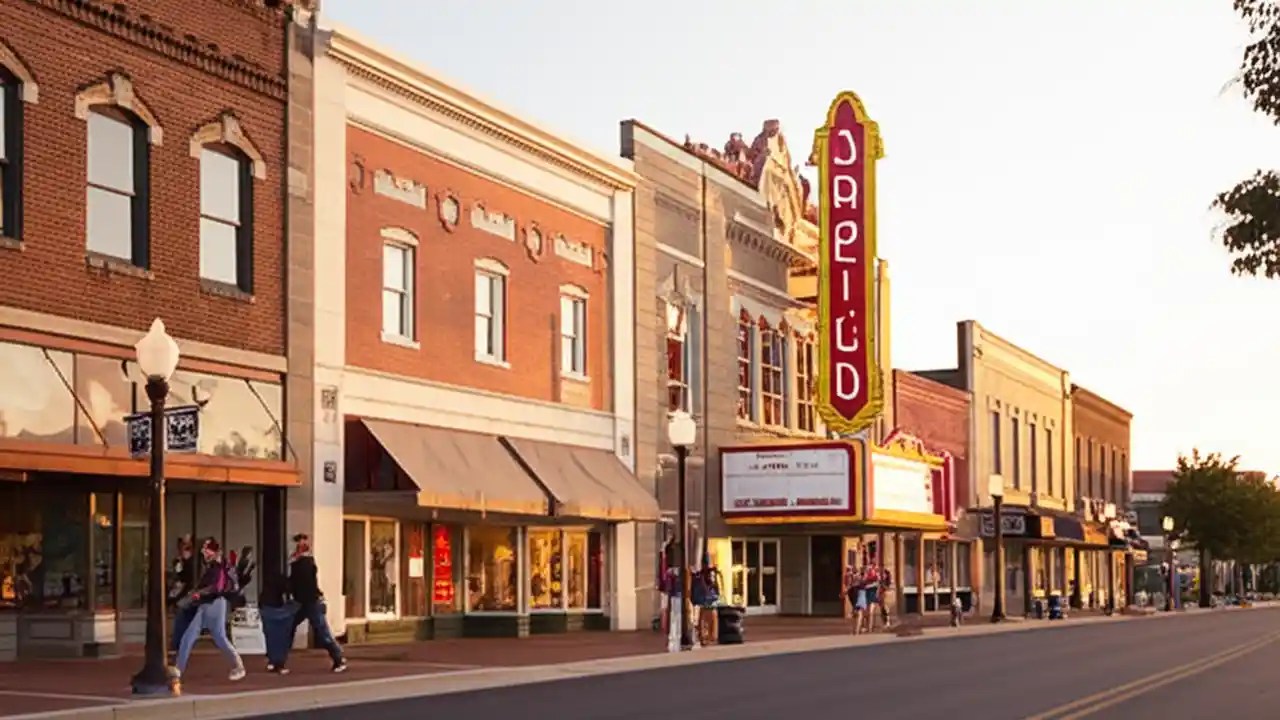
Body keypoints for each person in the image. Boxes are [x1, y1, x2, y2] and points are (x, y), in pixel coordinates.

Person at [175, 538, 245, 681]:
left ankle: (238, 665)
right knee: (189, 637)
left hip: (215, 604)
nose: (203, 552)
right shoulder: (214, 566)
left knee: (219, 637)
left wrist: (196, 594)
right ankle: (178, 670)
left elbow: (216, 588)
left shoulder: (218, 567)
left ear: (214, 551)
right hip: (206, 605)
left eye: (206, 549)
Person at [286, 533, 347, 673]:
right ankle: (278, 660)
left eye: (301, 543)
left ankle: (338, 658)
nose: (299, 546)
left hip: (310, 602)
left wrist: (293, 592)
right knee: (289, 627)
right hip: (304, 602)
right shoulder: (299, 562)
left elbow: (303, 583)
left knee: (322, 632)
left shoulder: (305, 562)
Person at [167, 535, 197, 664]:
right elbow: (179, 579)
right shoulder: (180, 562)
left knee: (184, 622)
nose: (184, 551)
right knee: (182, 622)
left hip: (192, 598)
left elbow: (186, 582)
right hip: (186, 598)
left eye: (187, 548)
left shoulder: (194, 563)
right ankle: (177, 648)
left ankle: (177, 648)